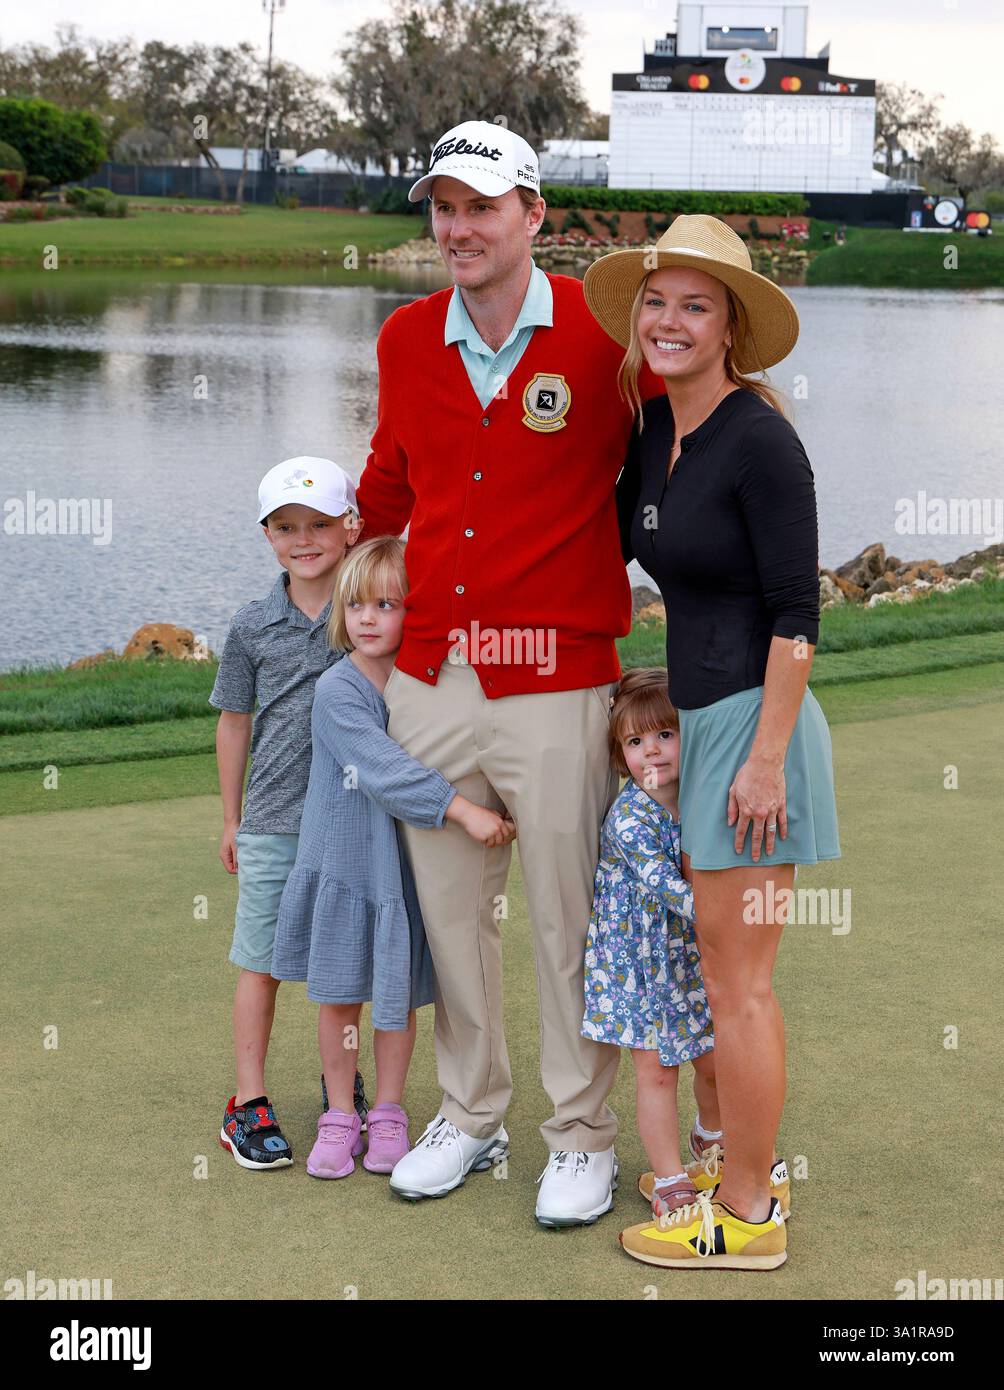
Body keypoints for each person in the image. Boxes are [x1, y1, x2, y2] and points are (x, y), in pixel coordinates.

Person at [355, 119, 664, 1226]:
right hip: (431, 679)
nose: (457, 228)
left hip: (559, 676)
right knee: (450, 916)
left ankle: (580, 1135)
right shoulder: (403, 339)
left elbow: (663, 465)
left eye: (481, 207)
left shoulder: (603, 329)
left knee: (561, 916)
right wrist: (364, 625)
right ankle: (469, 1116)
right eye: (442, 207)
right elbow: (387, 489)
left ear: (535, 214)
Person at [583, 214, 840, 1268]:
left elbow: (797, 614)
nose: (669, 321)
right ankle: (743, 1173)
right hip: (702, 727)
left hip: (753, 735)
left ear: (730, 326)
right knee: (725, 977)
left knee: (738, 985)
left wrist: (764, 757)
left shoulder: (760, 439)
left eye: (695, 305)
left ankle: (744, 1213)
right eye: (657, 302)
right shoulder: (653, 430)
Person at [270, 537, 516, 1180]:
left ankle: (387, 1112)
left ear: (416, 611)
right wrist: (463, 810)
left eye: (387, 604)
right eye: (356, 605)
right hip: (346, 867)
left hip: (400, 871)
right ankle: (338, 1115)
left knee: (395, 997)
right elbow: (383, 771)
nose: (369, 618)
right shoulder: (336, 689)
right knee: (339, 998)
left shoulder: (419, 684)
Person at [213, 457, 365, 1169]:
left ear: (349, 527)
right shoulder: (251, 624)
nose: (303, 540)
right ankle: (248, 1101)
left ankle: (343, 1093)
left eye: (319, 525)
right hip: (273, 818)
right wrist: (230, 817)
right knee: (263, 963)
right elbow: (234, 723)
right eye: (286, 528)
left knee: (344, 966)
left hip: (351, 818)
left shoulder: (369, 611)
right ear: (269, 536)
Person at [580, 667, 719, 1218]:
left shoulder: (699, 799)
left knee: (712, 1057)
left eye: (664, 734)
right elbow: (671, 888)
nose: (651, 752)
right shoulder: (630, 816)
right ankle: (669, 1178)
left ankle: (711, 1138)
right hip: (636, 965)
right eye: (635, 742)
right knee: (658, 1071)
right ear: (621, 756)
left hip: (686, 960)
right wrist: (729, 915)